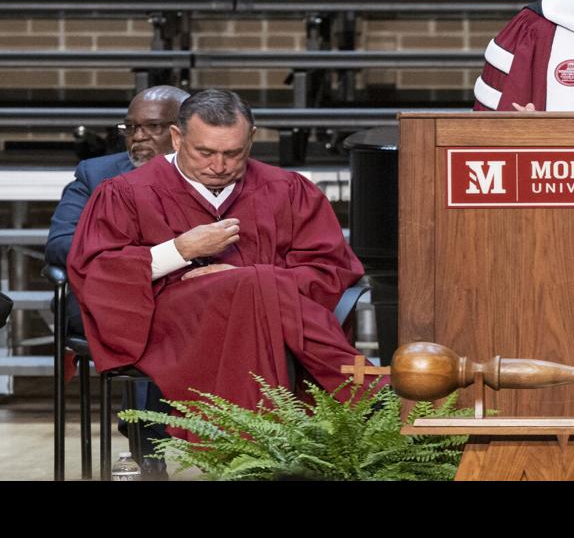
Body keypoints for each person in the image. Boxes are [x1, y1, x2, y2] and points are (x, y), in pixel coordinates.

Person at [66, 89, 365, 421]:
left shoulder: (289, 190)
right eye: (205, 152)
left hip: (271, 326)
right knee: (251, 286)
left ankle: (254, 448)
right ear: (177, 138)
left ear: (251, 139)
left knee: (250, 287)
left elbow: (329, 271)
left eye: (233, 153)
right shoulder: (125, 193)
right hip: (171, 331)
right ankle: (368, 398)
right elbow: (95, 273)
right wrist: (179, 251)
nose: (219, 166)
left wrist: (244, 280)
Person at [47, 85, 191, 332]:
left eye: (153, 127)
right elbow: (61, 243)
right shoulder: (95, 175)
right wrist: (141, 260)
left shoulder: (209, 174)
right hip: (108, 293)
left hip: (187, 292)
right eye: (131, 128)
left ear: (184, 132)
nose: (138, 137)